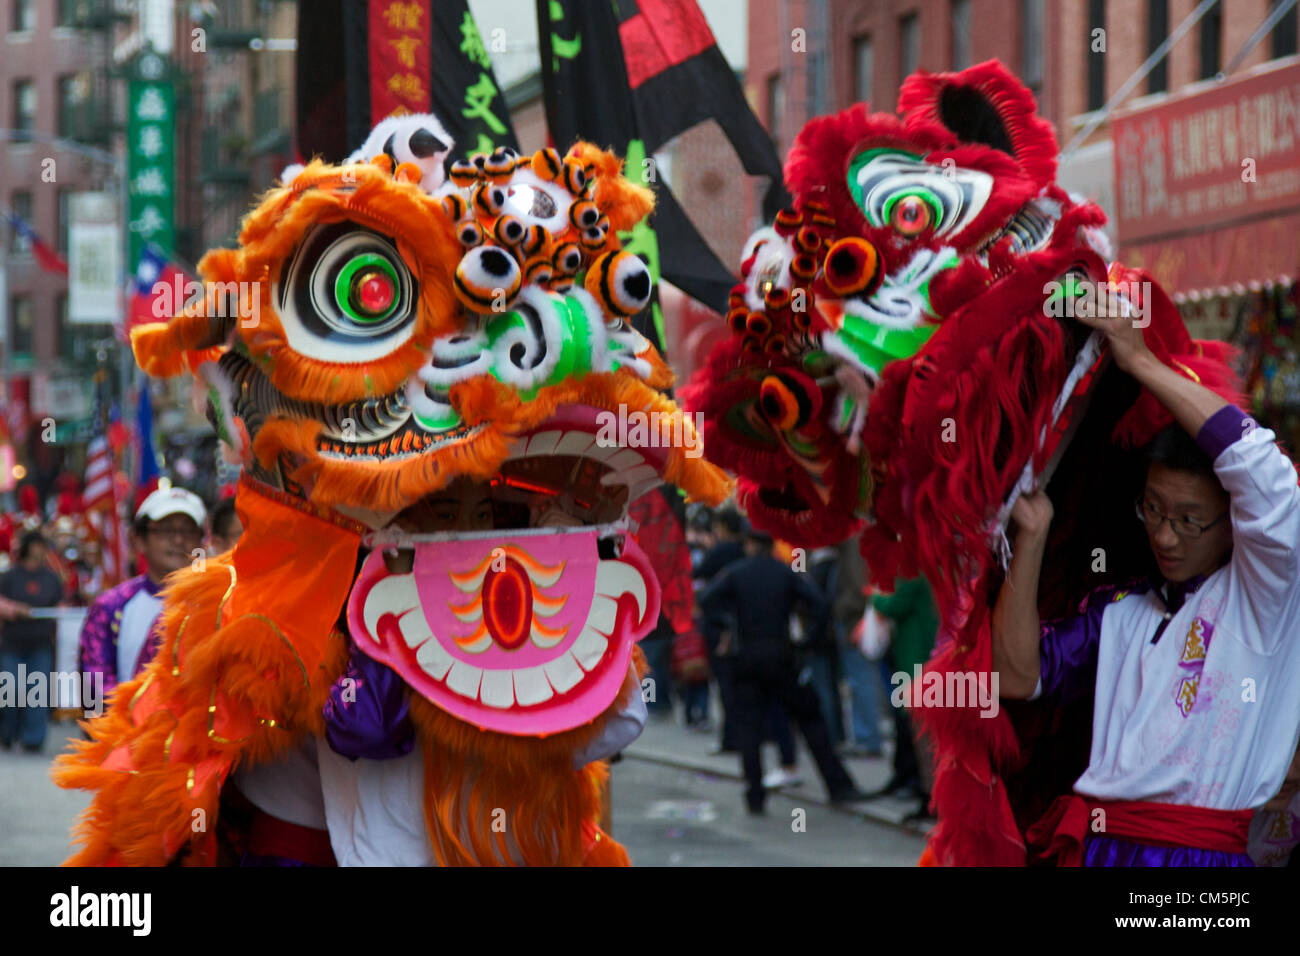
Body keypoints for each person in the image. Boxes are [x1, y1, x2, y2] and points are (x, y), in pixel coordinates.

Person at [993, 302, 1300, 866]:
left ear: (1234, 520)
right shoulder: (1119, 611)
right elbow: (1015, 675)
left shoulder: (1263, 598)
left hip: (1198, 862)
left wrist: (1139, 362)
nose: (1166, 536)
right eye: (1153, 510)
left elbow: (1268, 477)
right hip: (1100, 849)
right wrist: (1032, 537)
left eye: (1189, 519)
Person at [699, 527, 868, 813]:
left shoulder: (736, 573)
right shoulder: (785, 573)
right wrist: (807, 641)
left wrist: (727, 625)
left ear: (750, 544)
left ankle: (755, 795)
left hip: (748, 656)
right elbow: (820, 604)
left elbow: (706, 600)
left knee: (749, 728)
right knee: (810, 719)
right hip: (782, 654)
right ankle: (837, 784)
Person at [79, 487, 207, 697]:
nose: (178, 540)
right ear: (139, 540)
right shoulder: (112, 606)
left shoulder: (215, 603)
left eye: (188, 531)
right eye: (166, 531)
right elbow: (94, 688)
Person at [869, 575, 938, 820]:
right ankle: (929, 796)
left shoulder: (917, 570)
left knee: (924, 737)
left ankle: (931, 799)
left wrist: (875, 596)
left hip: (917, 660)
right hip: (933, 656)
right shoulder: (941, 565)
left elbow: (893, 605)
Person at [0, 532, 66, 751]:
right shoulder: (10, 576)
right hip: (13, 643)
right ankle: (7, 733)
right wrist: (13, 610)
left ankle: (33, 739)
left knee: (37, 693)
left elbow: (60, 603)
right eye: (36, 545)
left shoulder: (51, 578)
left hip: (41, 644)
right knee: (11, 691)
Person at [693, 508, 745, 753]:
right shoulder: (745, 551)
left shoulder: (720, 551)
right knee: (740, 684)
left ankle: (731, 738)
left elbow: (697, 573)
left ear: (724, 526)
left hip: (719, 625)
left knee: (725, 684)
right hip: (744, 624)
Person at [834, 537, 886, 757]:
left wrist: (841, 608)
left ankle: (867, 738)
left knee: (861, 679)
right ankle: (865, 736)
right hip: (859, 617)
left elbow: (858, 585)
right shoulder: (856, 538)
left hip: (856, 620)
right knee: (861, 679)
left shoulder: (853, 540)